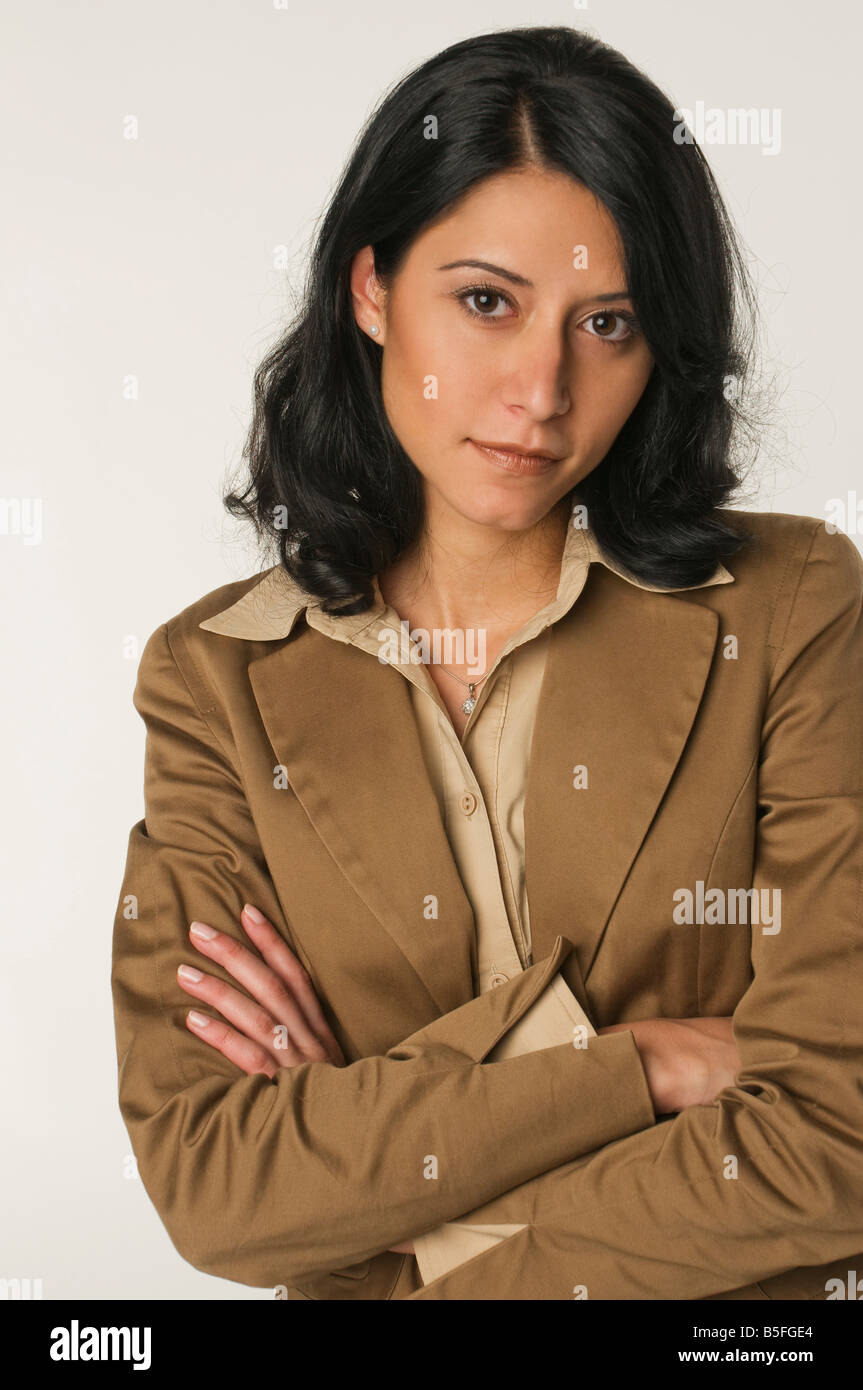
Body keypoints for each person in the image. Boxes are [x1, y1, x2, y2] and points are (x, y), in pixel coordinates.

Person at [111, 25, 863, 1300]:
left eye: (607, 322)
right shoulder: (216, 681)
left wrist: (396, 1191)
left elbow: (832, 1139)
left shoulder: (791, 610)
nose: (538, 389)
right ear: (368, 288)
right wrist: (644, 1066)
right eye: (484, 301)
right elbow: (219, 1191)